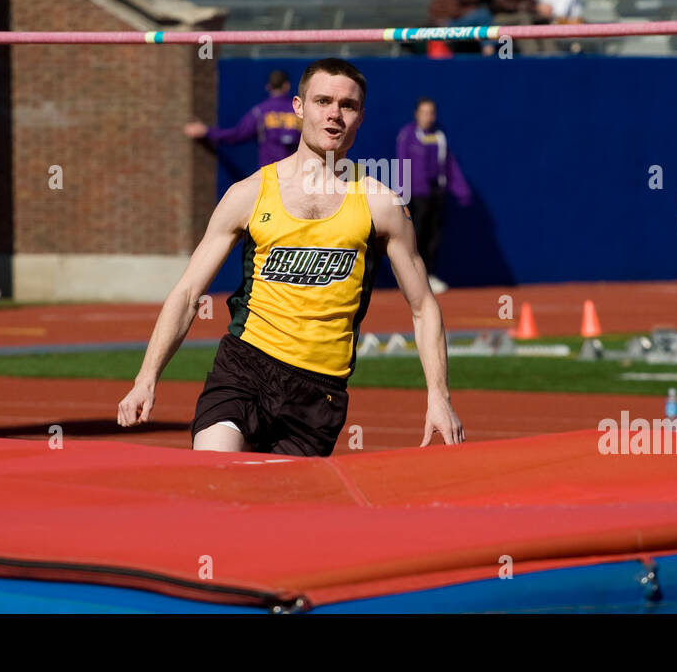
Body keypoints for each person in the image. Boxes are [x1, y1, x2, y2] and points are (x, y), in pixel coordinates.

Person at [117, 58, 465, 456]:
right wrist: (146, 378)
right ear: (298, 107)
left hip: (319, 391)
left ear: (360, 117)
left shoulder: (380, 205)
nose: (334, 113)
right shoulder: (247, 194)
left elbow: (423, 307)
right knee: (213, 479)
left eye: (347, 106)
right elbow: (187, 293)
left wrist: (439, 397)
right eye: (323, 101)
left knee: (279, 513)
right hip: (245, 368)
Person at [396, 98, 472, 295]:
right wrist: (402, 194)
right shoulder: (407, 135)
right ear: (416, 114)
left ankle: (428, 275)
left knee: (434, 237)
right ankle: (412, 278)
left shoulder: (439, 137)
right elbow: (402, 164)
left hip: (437, 194)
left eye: (431, 113)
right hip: (416, 196)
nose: (427, 117)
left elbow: (449, 165)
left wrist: (461, 190)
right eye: (424, 112)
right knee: (415, 236)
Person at [184, 70, 302, 168]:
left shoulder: (260, 112)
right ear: (287, 86)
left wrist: (206, 131)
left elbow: (236, 134)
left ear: (268, 87)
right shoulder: (300, 111)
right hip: (294, 172)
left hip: (270, 175)